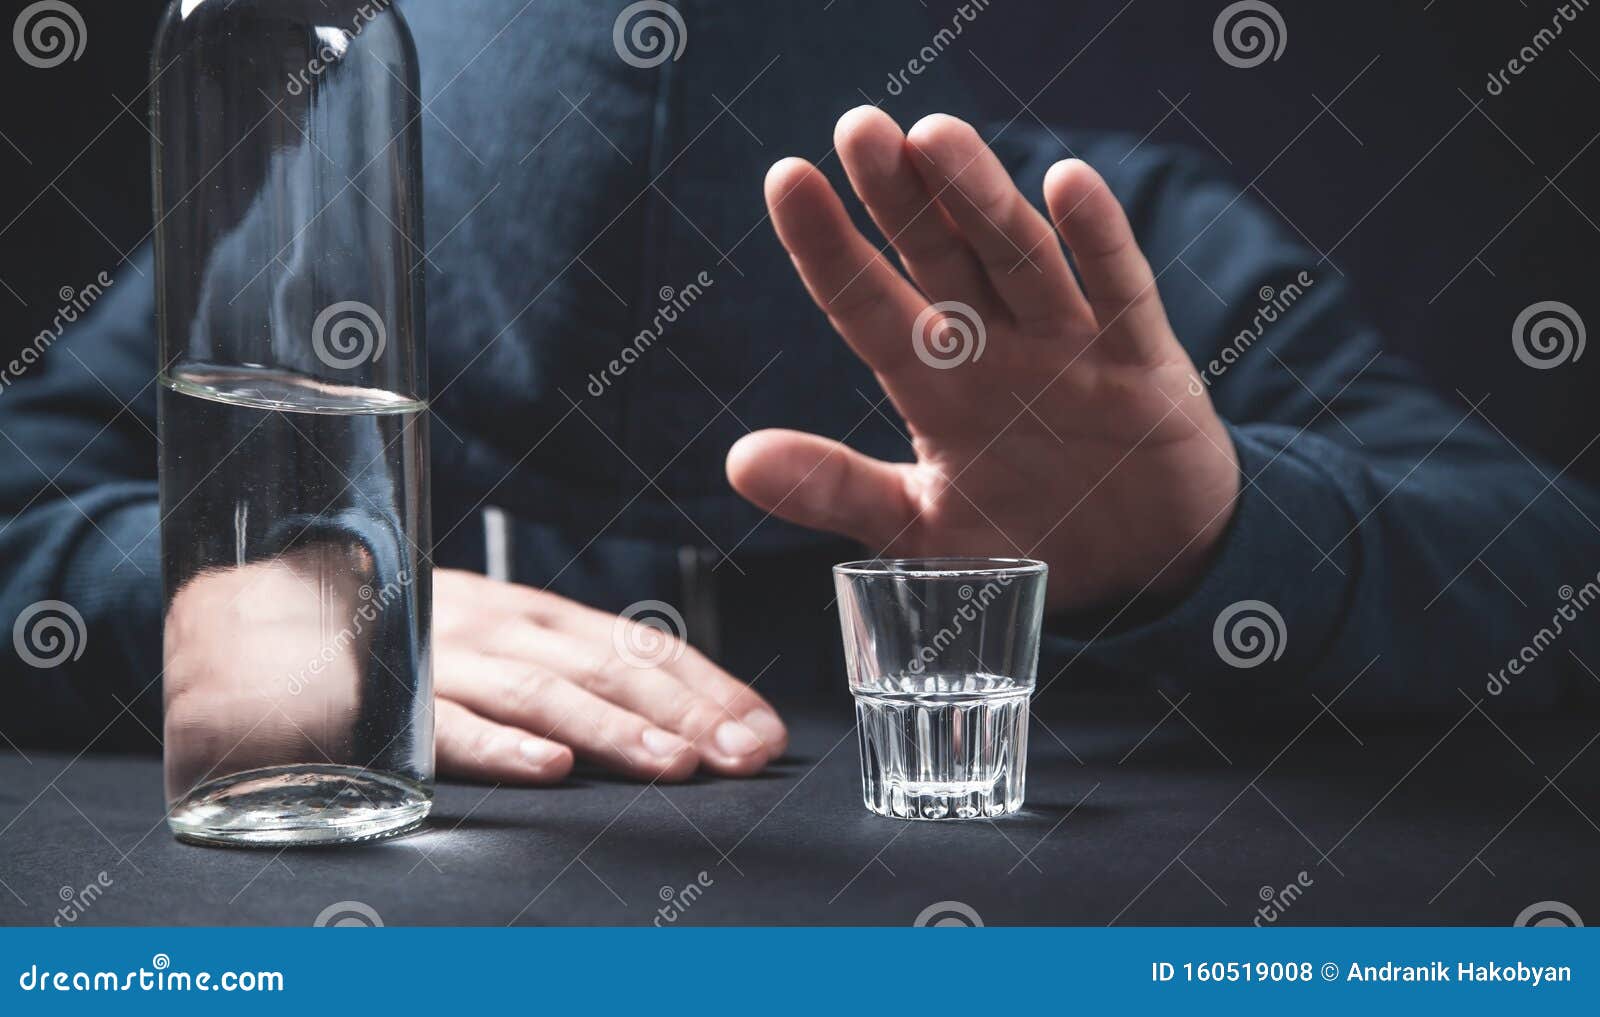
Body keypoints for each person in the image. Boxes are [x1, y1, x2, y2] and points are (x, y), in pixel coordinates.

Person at [2, 1, 1596, 786]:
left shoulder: (1122, 262)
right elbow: (27, 501)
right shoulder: (332, 227)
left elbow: (1549, 569)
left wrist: (1217, 536)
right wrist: (255, 601)